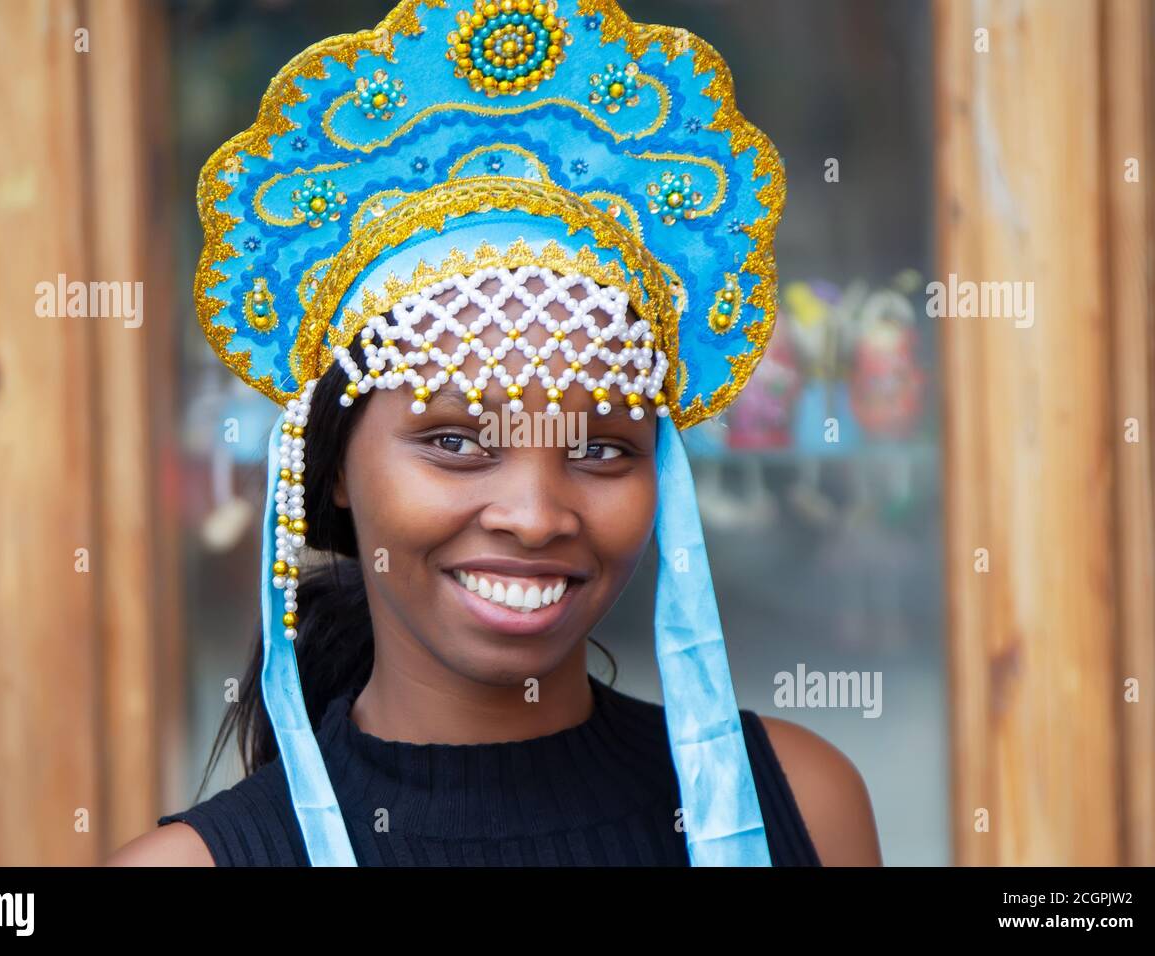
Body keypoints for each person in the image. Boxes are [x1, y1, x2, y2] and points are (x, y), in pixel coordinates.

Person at [108, 0, 880, 867]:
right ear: (331, 469)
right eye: (455, 443)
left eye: (599, 449)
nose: (535, 514)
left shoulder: (804, 807)